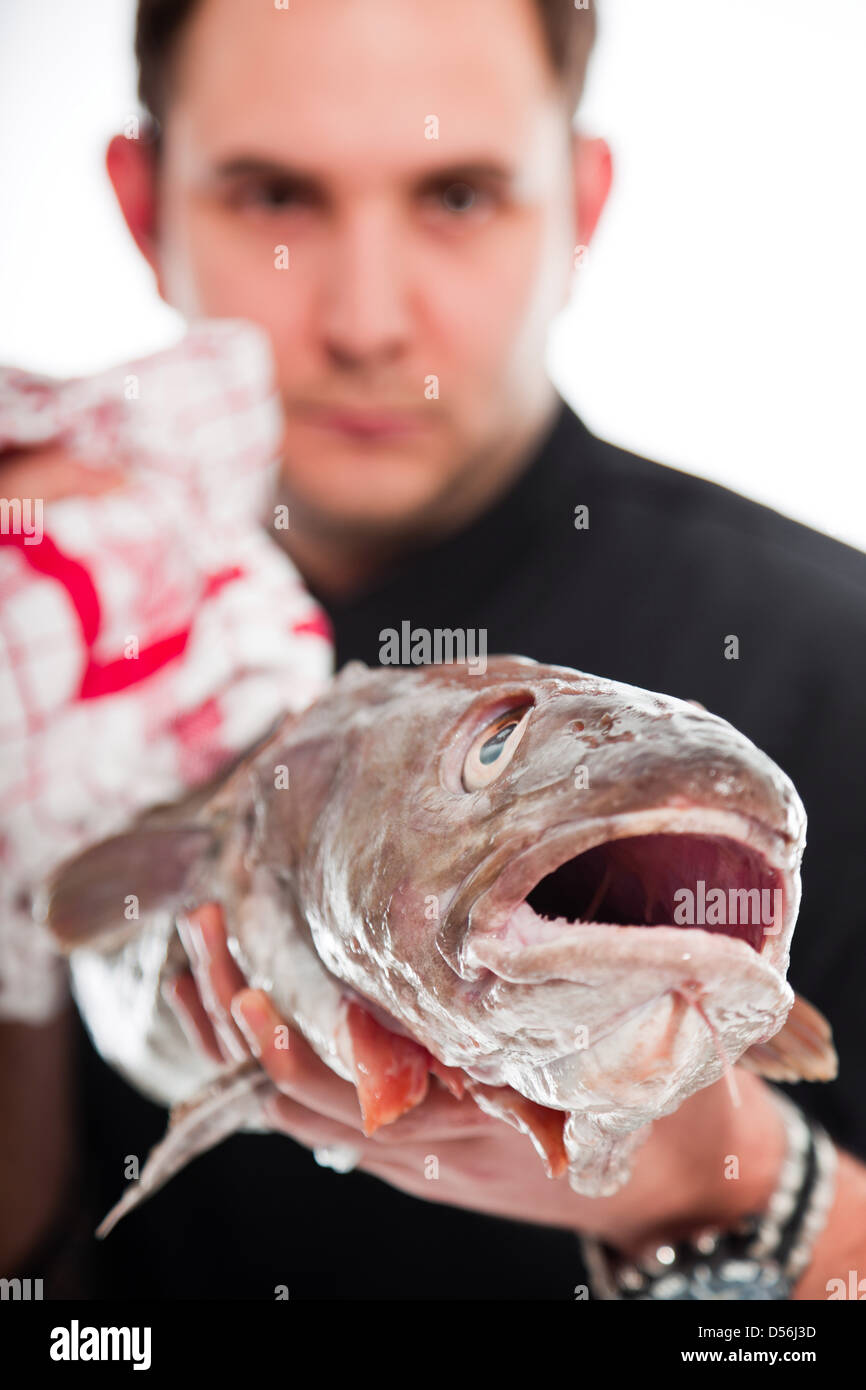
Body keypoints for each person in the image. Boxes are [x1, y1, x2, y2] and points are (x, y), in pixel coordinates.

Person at [4, 0, 865, 1300]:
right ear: (141, 205)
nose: (364, 321)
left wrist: (721, 1178)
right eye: (275, 194)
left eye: (456, 195)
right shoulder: (35, 613)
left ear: (579, 205)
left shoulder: (841, 657)